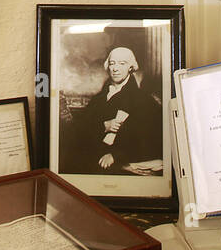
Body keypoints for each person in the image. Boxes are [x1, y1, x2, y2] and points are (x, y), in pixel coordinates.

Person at [64, 45, 161, 175]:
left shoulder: (143, 100)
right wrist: (103, 126)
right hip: (93, 156)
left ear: (130, 67)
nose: (115, 68)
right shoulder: (98, 99)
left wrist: (116, 155)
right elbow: (78, 130)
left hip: (124, 160)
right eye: (112, 63)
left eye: (122, 63)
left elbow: (147, 138)